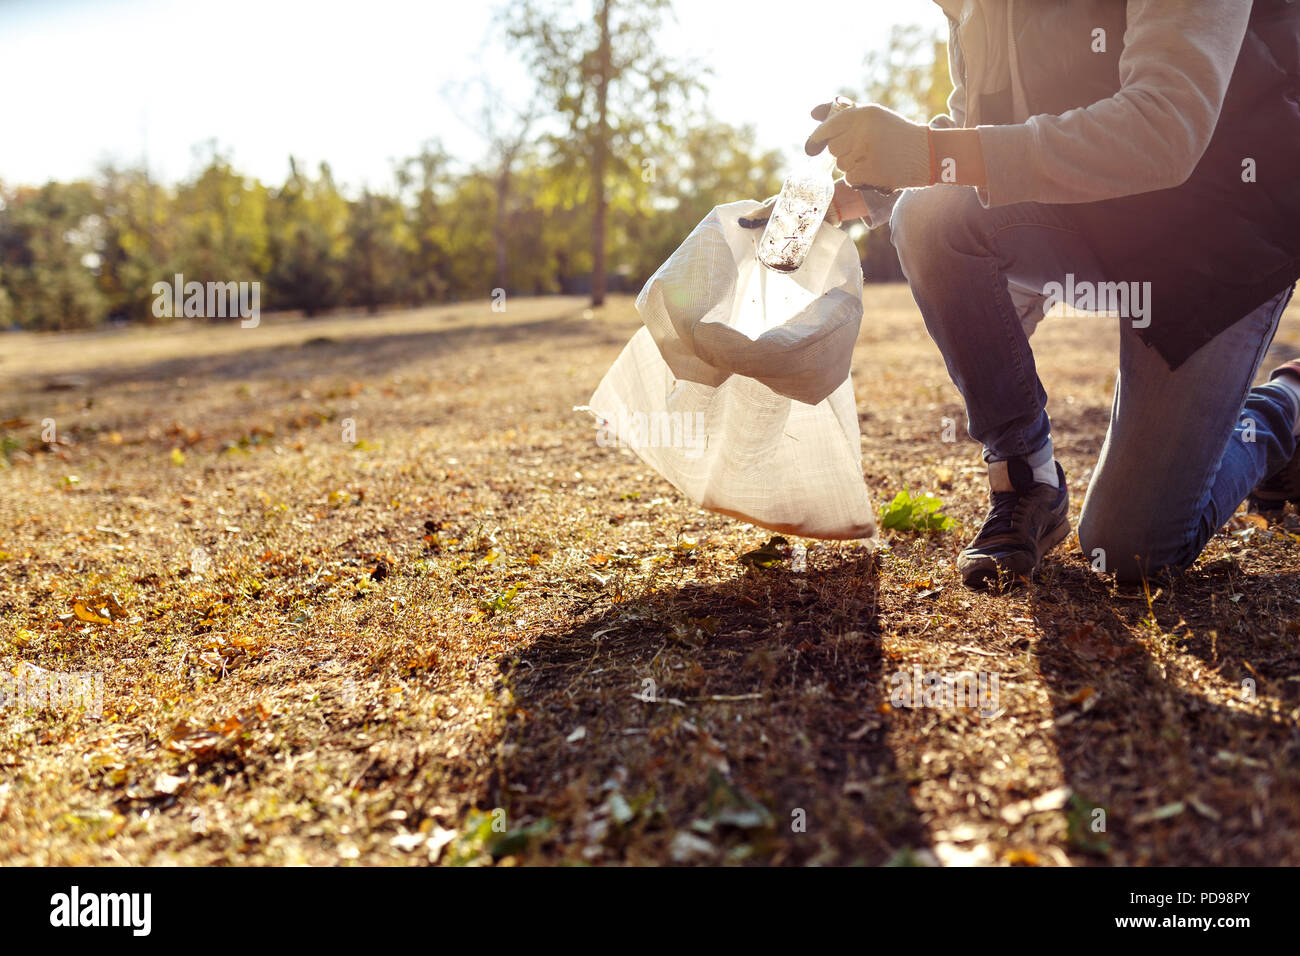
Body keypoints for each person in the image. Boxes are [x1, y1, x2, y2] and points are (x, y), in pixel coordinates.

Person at [742, 0, 1300, 588]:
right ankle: (1027, 475)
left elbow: (1164, 126)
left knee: (1132, 548)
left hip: (1222, 237)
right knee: (931, 214)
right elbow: (976, 138)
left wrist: (932, 155)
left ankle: (1280, 412)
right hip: (1105, 221)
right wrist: (845, 200)